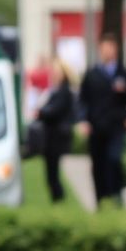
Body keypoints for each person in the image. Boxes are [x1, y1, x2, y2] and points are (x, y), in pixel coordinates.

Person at [77, 33, 126, 207]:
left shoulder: (124, 74)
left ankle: (116, 196)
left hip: (117, 126)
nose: (108, 50)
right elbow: (82, 99)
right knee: (98, 164)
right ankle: (101, 201)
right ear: (100, 49)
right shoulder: (92, 74)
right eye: (105, 47)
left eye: (111, 47)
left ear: (115, 49)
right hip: (97, 127)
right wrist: (83, 120)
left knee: (114, 159)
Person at [36, 58, 76, 203]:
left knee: (53, 172)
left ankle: (59, 199)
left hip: (56, 138)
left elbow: (53, 111)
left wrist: (41, 113)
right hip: (52, 137)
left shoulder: (64, 91)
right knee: (51, 172)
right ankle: (57, 199)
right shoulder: (56, 90)